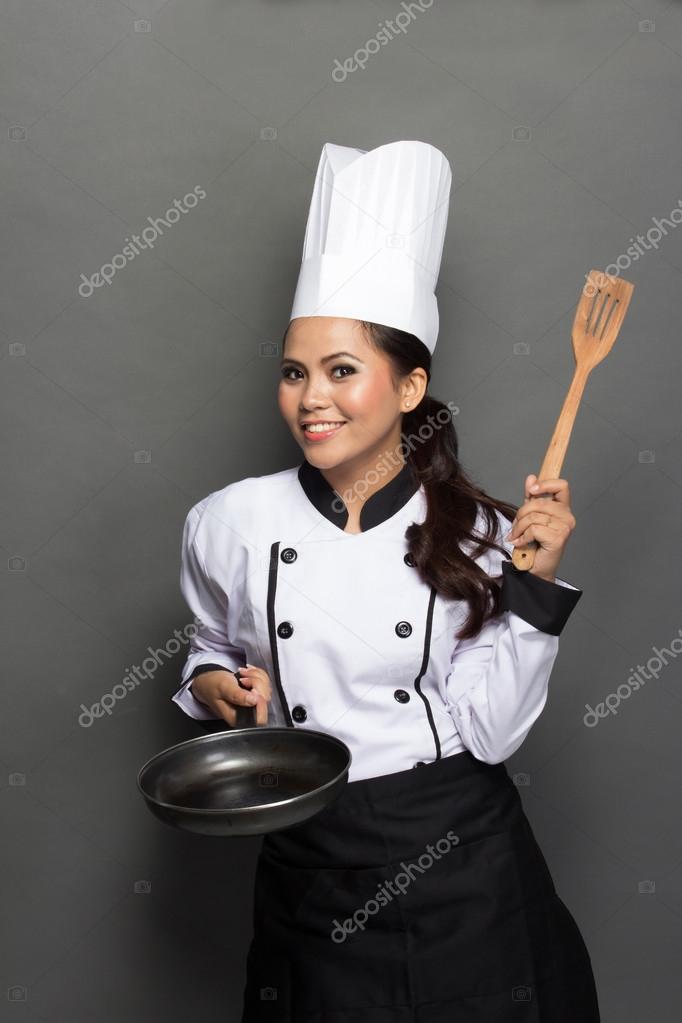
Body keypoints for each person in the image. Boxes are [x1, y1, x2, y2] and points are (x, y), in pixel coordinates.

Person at [172, 142, 601, 1021]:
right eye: (294, 372)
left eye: (342, 370)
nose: (311, 398)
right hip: (308, 854)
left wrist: (535, 589)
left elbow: (493, 732)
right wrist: (214, 683)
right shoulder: (229, 521)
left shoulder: (481, 534)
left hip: (462, 859)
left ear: (410, 387)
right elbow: (211, 644)